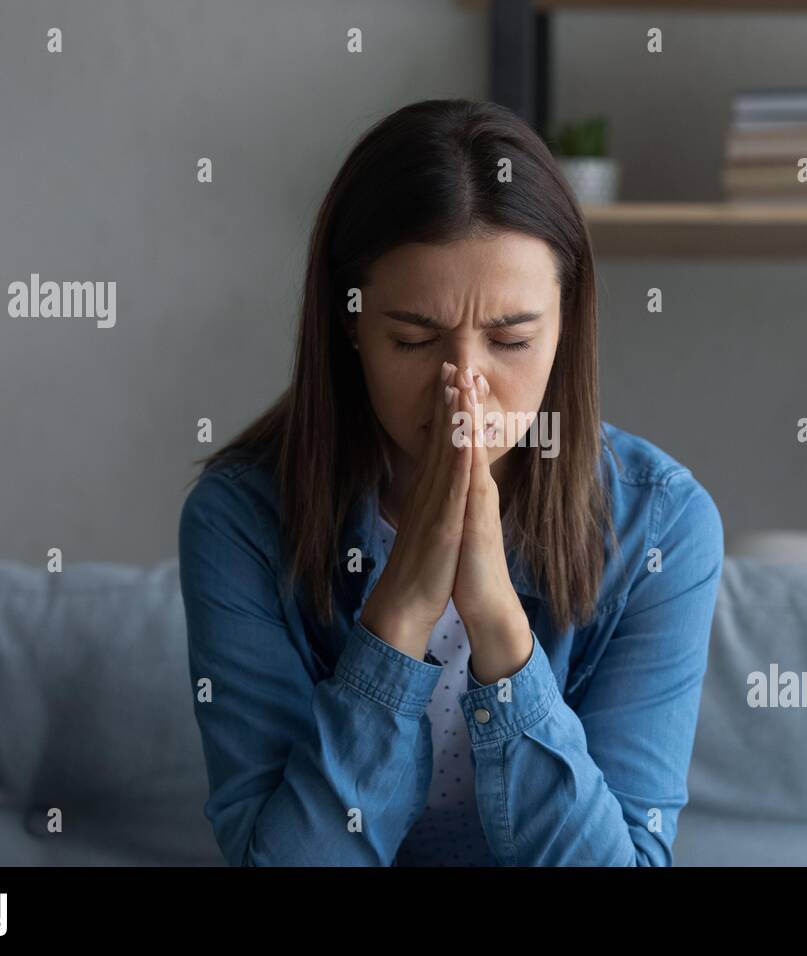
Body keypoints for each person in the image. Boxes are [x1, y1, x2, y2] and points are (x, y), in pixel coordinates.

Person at [177, 98, 724, 866]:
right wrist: (398, 613)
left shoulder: (661, 526)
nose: (464, 385)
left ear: (565, 327)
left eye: (511, 340)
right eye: (412, 339)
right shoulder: (240, 519)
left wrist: (498, 621)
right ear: (351, 325)